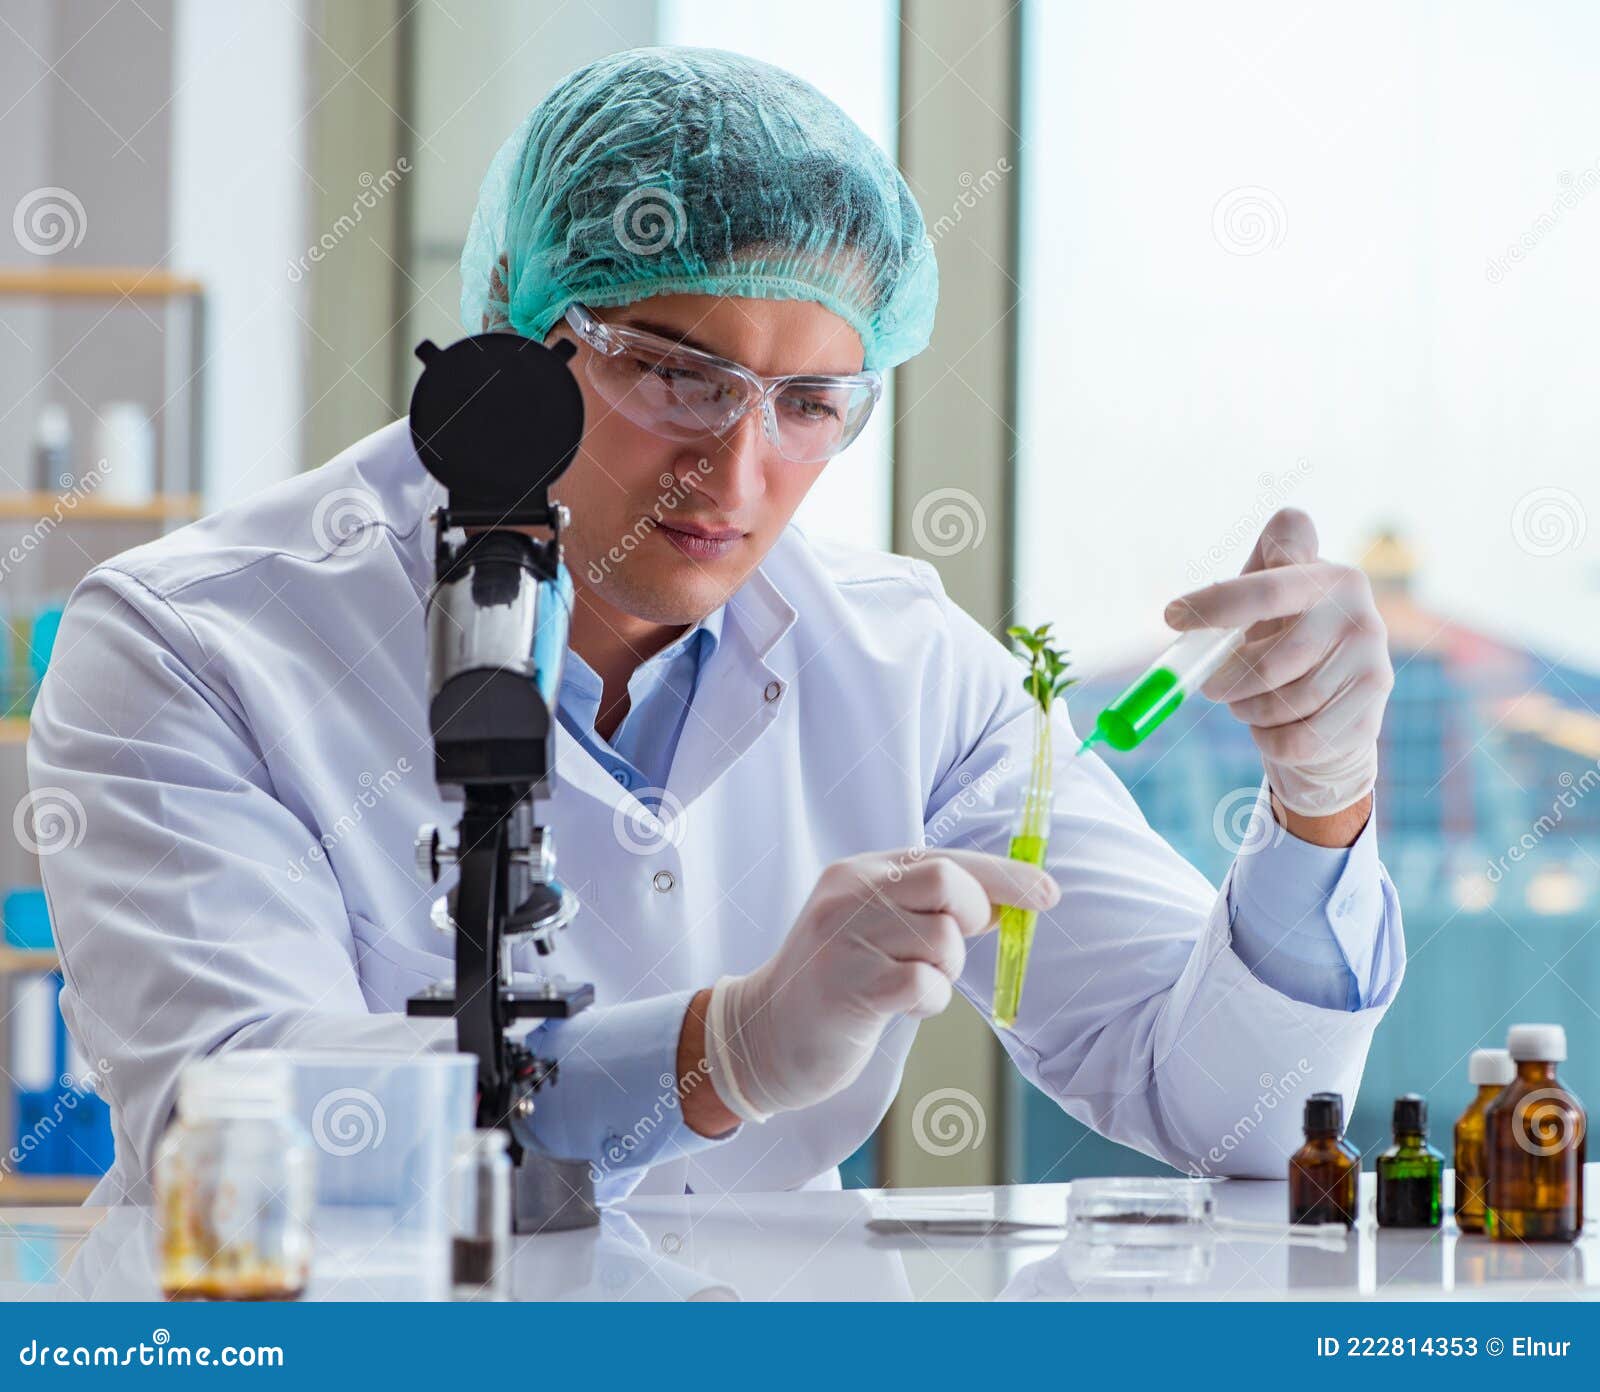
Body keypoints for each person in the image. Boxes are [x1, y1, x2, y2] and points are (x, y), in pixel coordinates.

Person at [29, 46, 1401, 1206]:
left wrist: (1319, 812)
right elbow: (240, 1138)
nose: (737, 480)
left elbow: (1234, 1117)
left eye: (809, 404)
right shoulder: (194, 642)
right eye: (678, 378)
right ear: (521, 340)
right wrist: (711, 1053)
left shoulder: (911, 670)